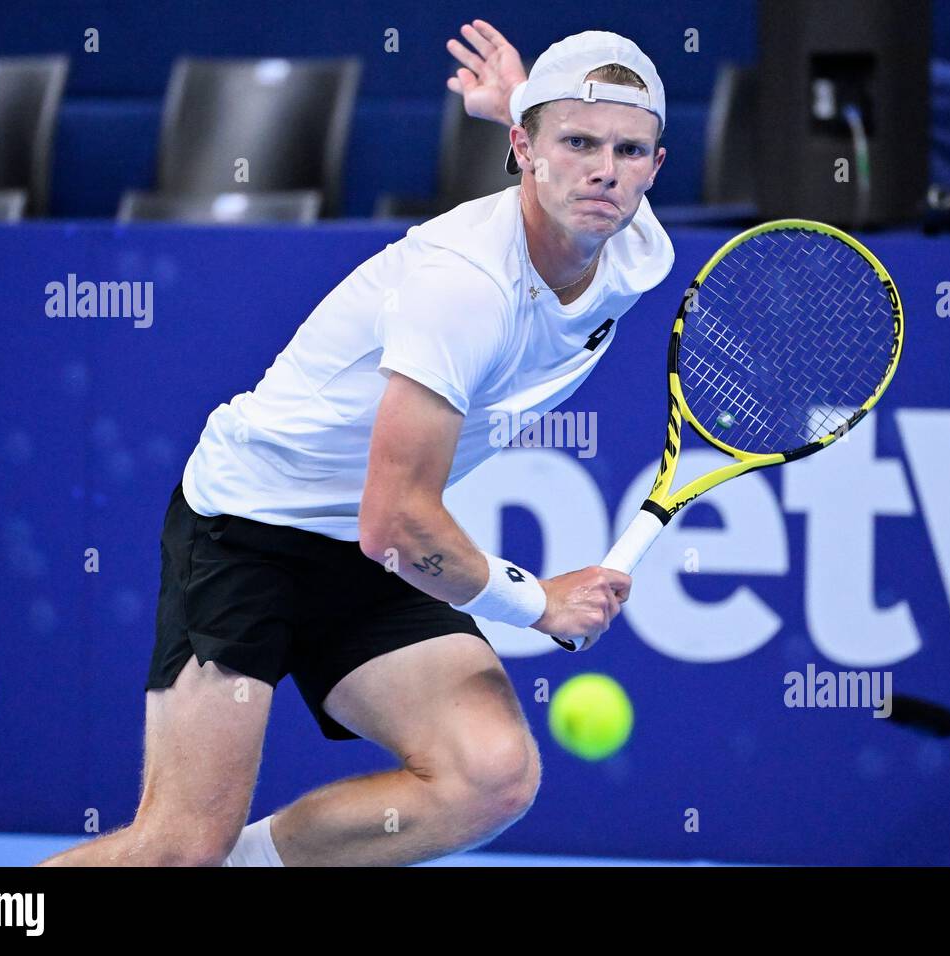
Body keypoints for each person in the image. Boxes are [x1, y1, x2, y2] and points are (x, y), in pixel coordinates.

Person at [39, 21, 673, 867]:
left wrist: (521, 101)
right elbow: (399, 527)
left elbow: (581, 166)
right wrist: (538, 603)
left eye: (630, 151)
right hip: (249, 531)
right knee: (177, 849)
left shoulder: (637, 249)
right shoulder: (463, 289)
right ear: (523, 149)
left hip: (363, 555)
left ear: (656, 167)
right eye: (577, 142)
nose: (604, 169)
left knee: (488, 775)